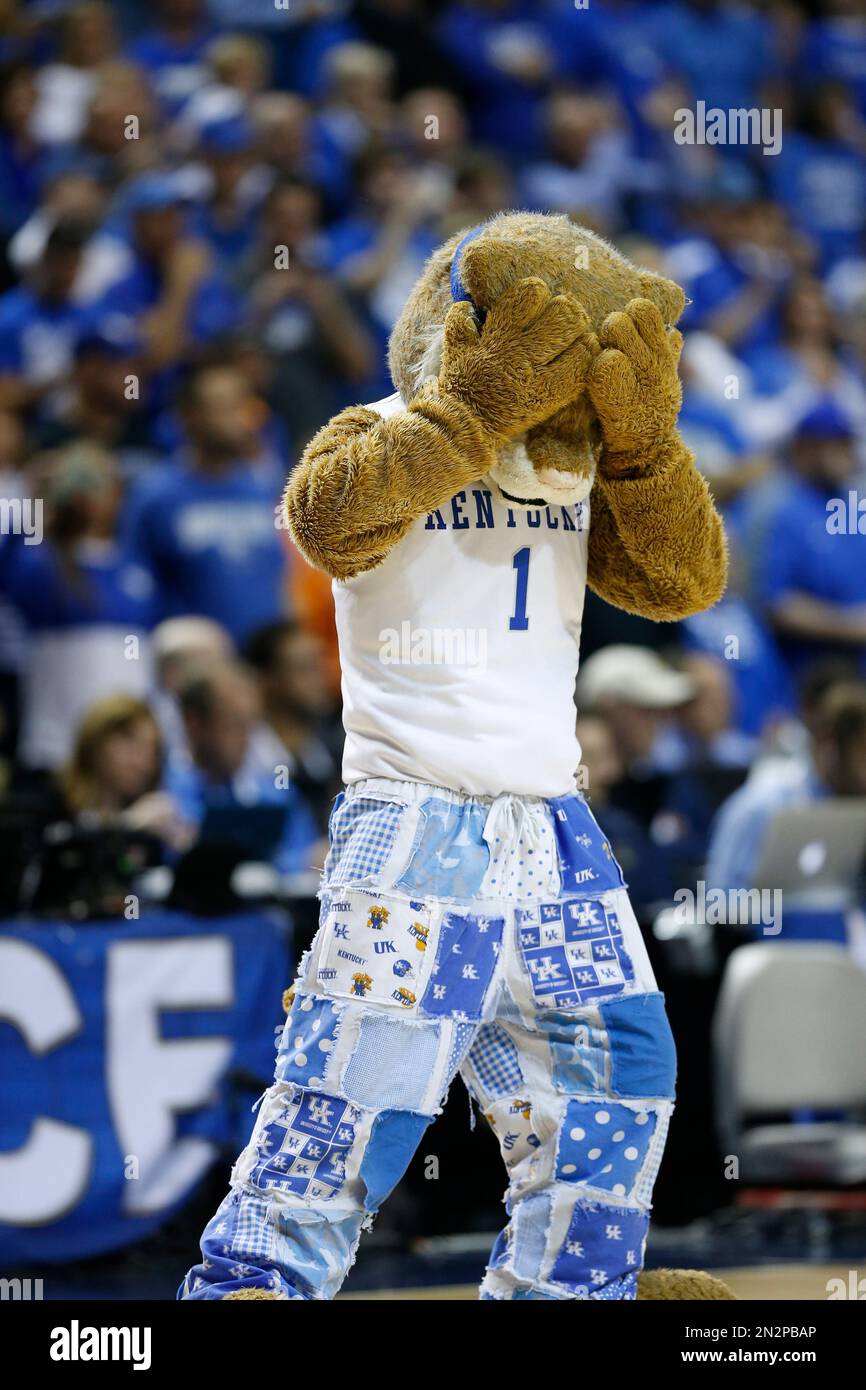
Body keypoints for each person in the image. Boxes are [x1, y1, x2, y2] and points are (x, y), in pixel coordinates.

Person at [122, 360, 289, 644]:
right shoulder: (155, 496)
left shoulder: (263, 489)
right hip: (196, 670)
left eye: (242, 405)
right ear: (190, 417)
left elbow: (281, 581)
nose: (240, 419)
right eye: (224, 407)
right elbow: (133, 586)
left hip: (266, 668)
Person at [706, 679, 866, 902]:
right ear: (830, 747)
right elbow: (718, 901)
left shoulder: (855, 810)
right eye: (862, 756)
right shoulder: (761, 805)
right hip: (768, 934)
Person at [164, 661, 321, 876]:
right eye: (232, 725)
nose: (245, 741)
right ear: (194, 724)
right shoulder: (164, 793)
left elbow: (311, 854)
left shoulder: (276, 793)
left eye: (250, 727)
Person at [243, 619, 342, 832]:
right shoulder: (244, 761)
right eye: (305, 669)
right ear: (268, 680)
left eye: (321, 666)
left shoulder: (336, 756)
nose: (322, 679)